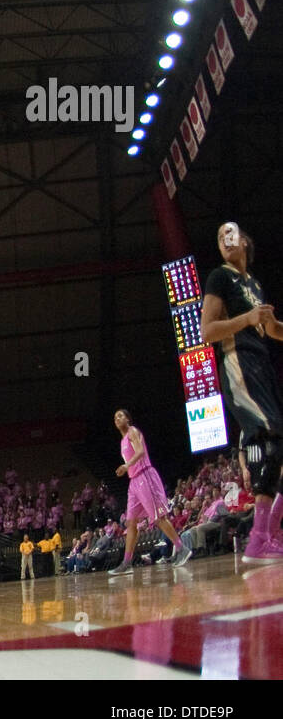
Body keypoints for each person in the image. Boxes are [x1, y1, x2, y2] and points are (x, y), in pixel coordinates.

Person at [201, 222, 283, 562]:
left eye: (230, 233)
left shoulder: (254, 285)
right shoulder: (219, 277)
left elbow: (272, 329)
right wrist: (247, 319)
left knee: (280, 445)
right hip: (239, 364)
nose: (225, 238)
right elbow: (207, 331)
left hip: (262, 367)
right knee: (274, 436)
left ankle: (268, 535)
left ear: (245, 241)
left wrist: (265, 322)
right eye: (220, 236)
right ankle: (259, 538)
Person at [107, 410, 192, 574]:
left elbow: (140, 452)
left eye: (121, 416)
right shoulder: (123, 440)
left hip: (145, 475)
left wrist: (126, 466)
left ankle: (181, 548)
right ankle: (126, 562)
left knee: (158, 518)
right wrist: (127, 468)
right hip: (134, 482)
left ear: (128, 419)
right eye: (115, 417)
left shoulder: (133, 431)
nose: (117, 419)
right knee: (130, 523)